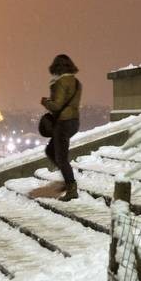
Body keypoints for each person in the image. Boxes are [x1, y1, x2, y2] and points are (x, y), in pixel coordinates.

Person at [41, 53, 82, 201]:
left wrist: (45, 102)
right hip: (73, 122)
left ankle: (71, 187)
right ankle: (68, 179)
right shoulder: (77, 82)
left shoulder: (60, 83)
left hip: (63, 123)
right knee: (51, 150)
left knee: (60, 157)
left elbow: (57, 105)